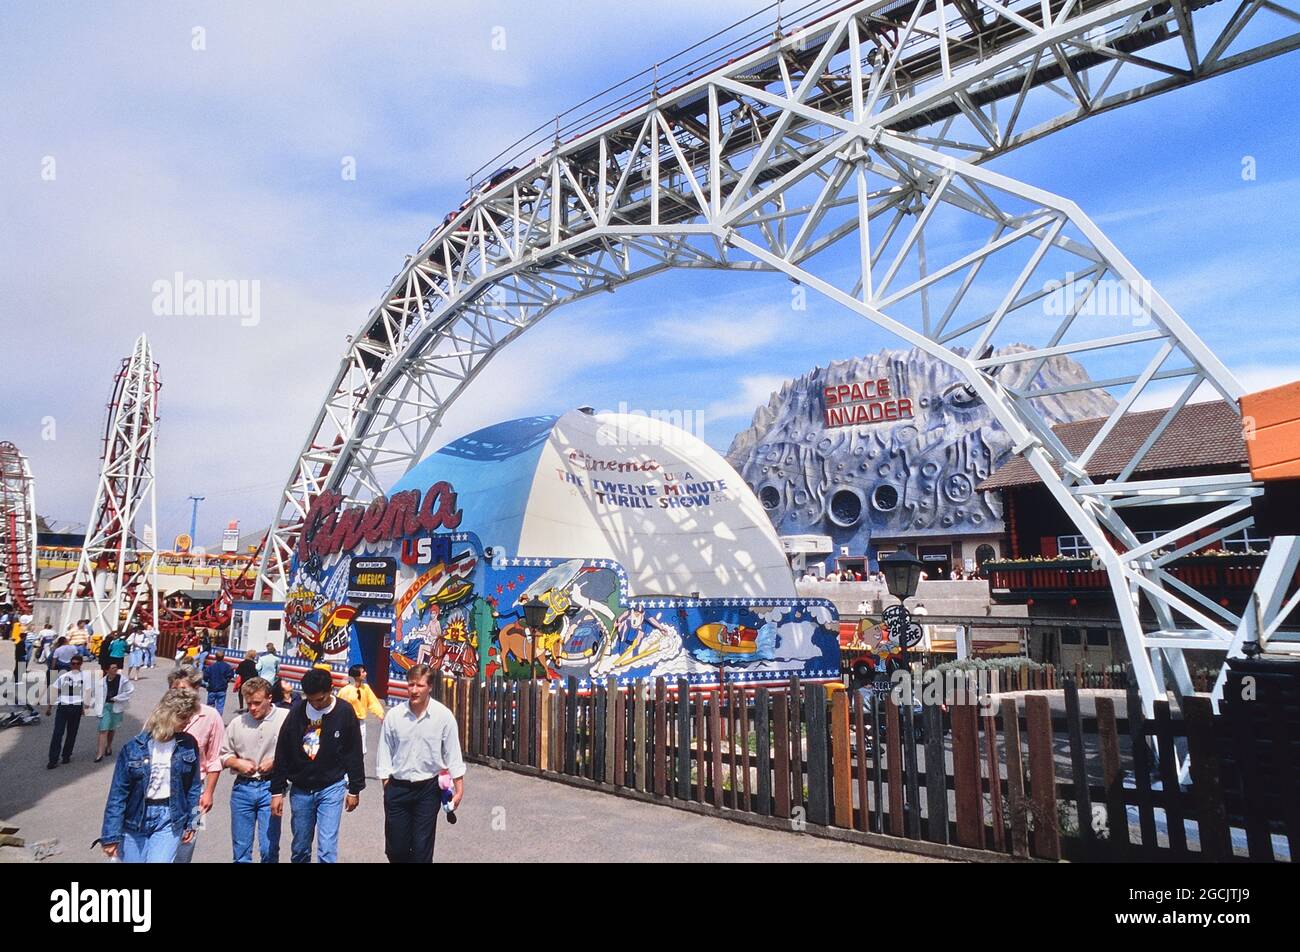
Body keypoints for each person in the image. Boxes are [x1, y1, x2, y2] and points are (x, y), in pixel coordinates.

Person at [270, 667, 364, 863]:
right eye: (311, 700)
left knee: (327, 848)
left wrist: (355, 789)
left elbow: (353, 752)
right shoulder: (297, 712)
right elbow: (283, 751)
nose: (315, 704)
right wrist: (277, 791)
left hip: (331, 787)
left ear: (331, 689)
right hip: (301, 789)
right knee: (300, 847)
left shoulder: (344, 712)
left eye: (320, 699)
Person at [100, 688, 203, 863]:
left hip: (170, 818)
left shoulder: (188, 744)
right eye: (184, 718)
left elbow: (194, 788)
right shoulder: (133, 748)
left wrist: (193, 824)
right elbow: (118, 795)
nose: (188, 722)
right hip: (135, 818)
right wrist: (110, 836)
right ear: (169, 715)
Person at [376, 663, 465, 863]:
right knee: (396, 850)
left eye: (419, 685)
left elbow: (453, 754)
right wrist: (386, 784)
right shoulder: (395, 716)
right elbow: (384, 752)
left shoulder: (443, 716)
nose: (414, 690)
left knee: (421, 850)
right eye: (411, 685)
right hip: (398, 787)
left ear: (430, 687)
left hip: (428, 788)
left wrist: (459, 789)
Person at [219, 677, 288, 863]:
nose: (252, 708)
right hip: (243, 788)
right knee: (241, 850)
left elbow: (297, 750)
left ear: (269, 698)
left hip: (271, 788)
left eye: (257, 703)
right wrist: (237, 763)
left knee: (269, 848)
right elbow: (223, 755)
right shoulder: (237, 723)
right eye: (249, 704)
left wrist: (275, 761)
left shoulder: (285, 718)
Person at [167, 665, 227, 863]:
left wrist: (209, 792)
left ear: (196, 689)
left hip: (196, 789)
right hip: (164, 786)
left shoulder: (211, 716)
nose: (179, 694)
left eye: (184, 689)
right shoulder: (162, 714)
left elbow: (214, 759)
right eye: (175, 690)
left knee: (188, 839)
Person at [47, 655, 92, 768]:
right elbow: (55, 691)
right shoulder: (64, 676)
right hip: (63, 706)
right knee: (58, 733)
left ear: (81, 664)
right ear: (70, 664)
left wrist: (85, 707)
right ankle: (53, 759)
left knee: (72, 733)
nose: (75, 666)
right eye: (73, 663)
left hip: (76, 706)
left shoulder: (85, 677)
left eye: (77, 663)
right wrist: (49, 706)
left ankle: (66, 754)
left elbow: (87, 692)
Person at [337, 664, 385, 757]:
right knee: (346, 748)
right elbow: (338, 707)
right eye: (363, 672)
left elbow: (373, 702)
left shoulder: (365, 688)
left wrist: (380, 714)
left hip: (360, 723)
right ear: (356, 675)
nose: (365, 673)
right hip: (347, 723)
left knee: (360, 750)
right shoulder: (345, 690)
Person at [92, 659, 134, 762]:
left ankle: (109, 746)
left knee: (111, 728)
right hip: (105, 706)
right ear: (107, 670)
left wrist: (117, 698)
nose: (115, 669)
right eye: (113, 668)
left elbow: (130, 690)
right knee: (103, 728)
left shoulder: (122, 679)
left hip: (116, 706)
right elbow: (95, 695)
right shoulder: (101, 682)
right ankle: (100, 753)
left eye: (116, 668)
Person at [202, 649, 236, 716]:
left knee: (210, 706)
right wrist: (226, 681)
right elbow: (230, 675)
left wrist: (207, 681)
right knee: (220, 706)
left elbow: (205, 676)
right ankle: (218, 719)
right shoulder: (227, 667)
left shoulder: (211, 667)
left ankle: (210, 719)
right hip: (222, 688)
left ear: (215, 657)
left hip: (212, 688)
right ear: (223, 657)